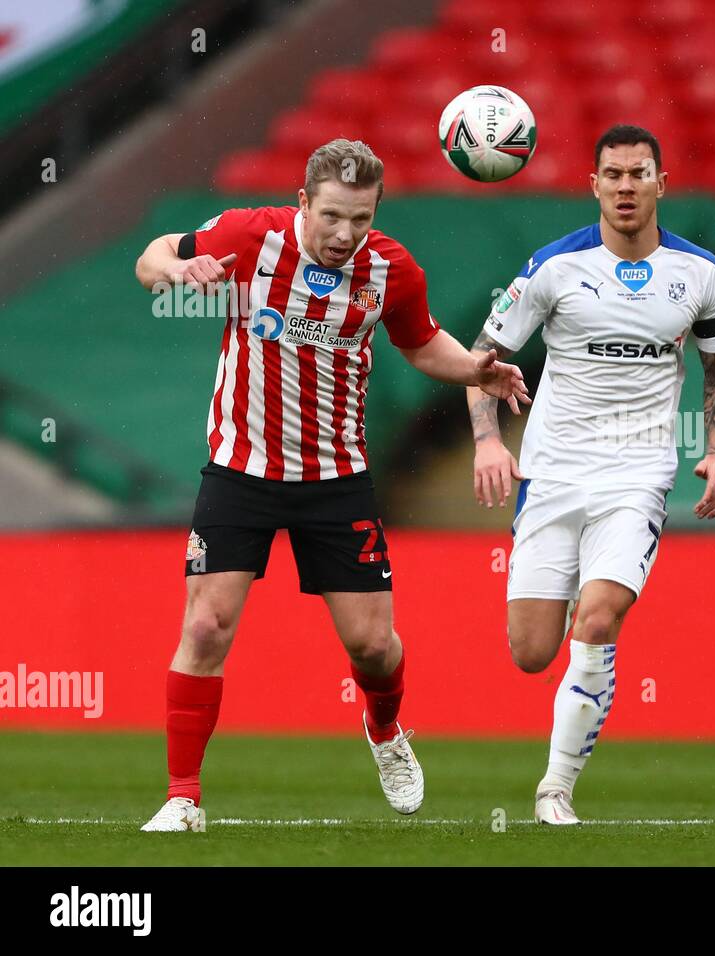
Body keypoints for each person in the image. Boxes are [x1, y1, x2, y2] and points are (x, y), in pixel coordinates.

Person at [132, 138, 529, 831]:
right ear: (302, 204)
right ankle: (182, 798)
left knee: (374, 647)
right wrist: (176, 267)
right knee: (203, 624)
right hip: (240, 470)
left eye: (361, 219)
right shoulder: (248, 235)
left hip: (336, 478)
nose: (346, 235)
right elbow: (150, 256)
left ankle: (384, 729)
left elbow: (420, 341)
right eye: (333, 217)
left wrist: (474, 370)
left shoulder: (392, 269)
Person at [465, 125, 715, 823]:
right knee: (531, 652)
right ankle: (569, 712)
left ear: (660, 184)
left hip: (637, 473)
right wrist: (487, 442)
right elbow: (481, 358)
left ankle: (555, 789)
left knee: (598, 619)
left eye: (637, 174)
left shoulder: (701, 274)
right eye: (612, 174)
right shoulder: (554, 268)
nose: (625, 186)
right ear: (594, 184)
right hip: (552, 471)